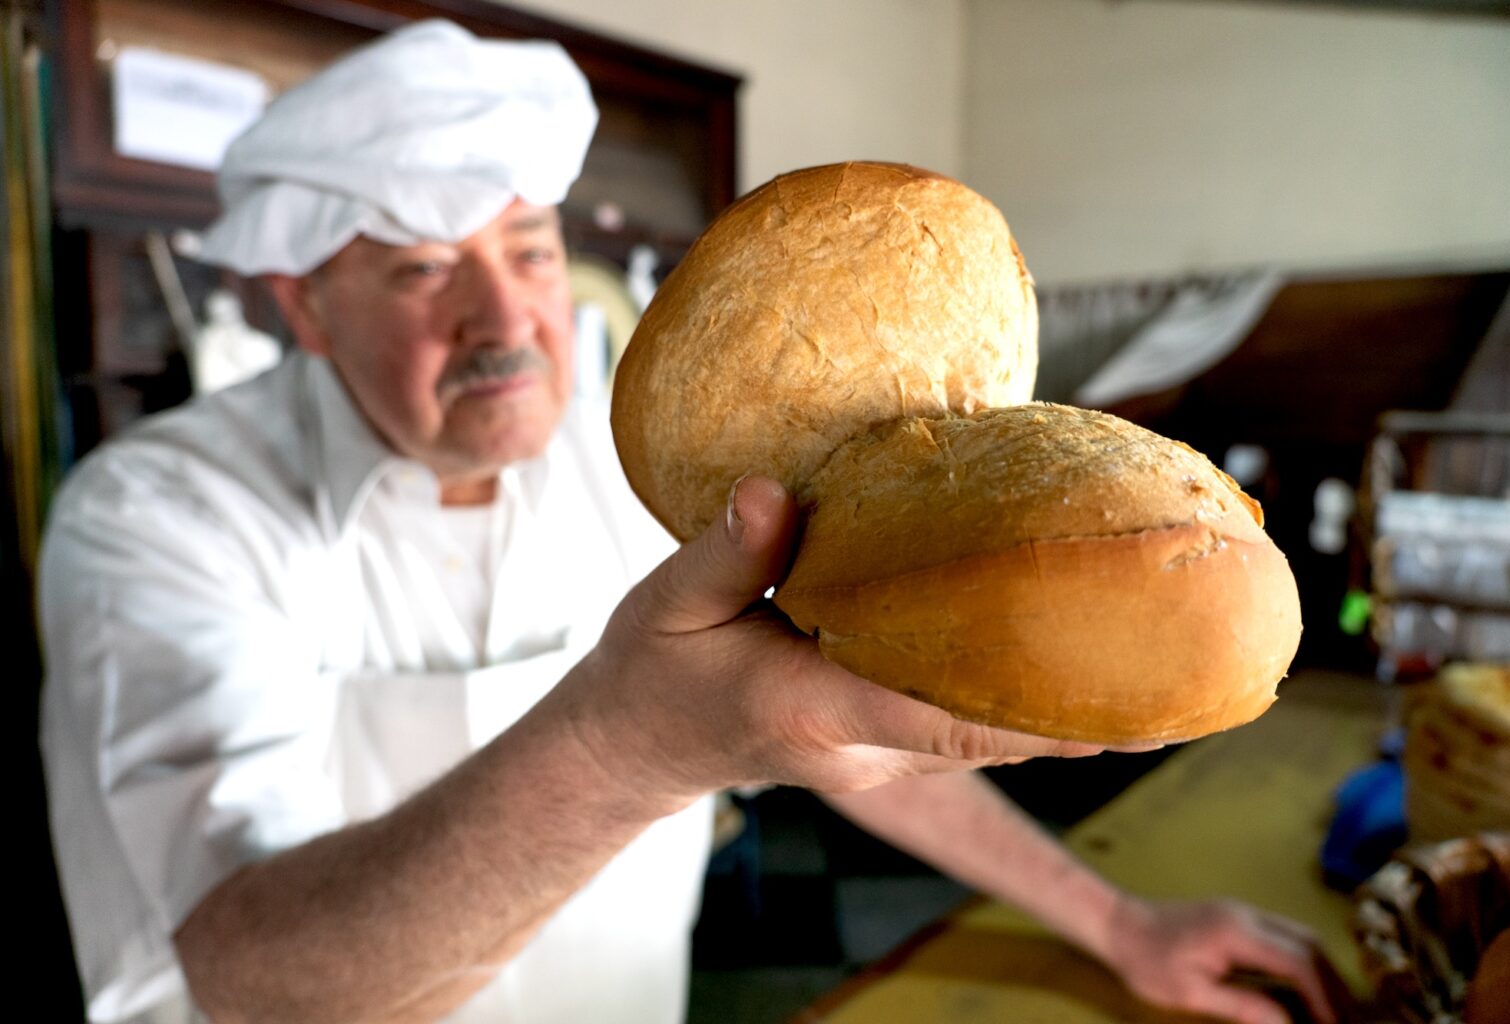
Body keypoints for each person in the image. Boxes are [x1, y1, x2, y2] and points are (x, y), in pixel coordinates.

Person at [40, 19, 1345, 1024]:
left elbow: (821, 724)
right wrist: (626, 752)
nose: (506, 324)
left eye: (531, 251)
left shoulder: (645, 464)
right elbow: (237, 975)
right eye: (423, 267)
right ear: (302, 306)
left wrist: (1116, 923)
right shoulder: (158, 518)